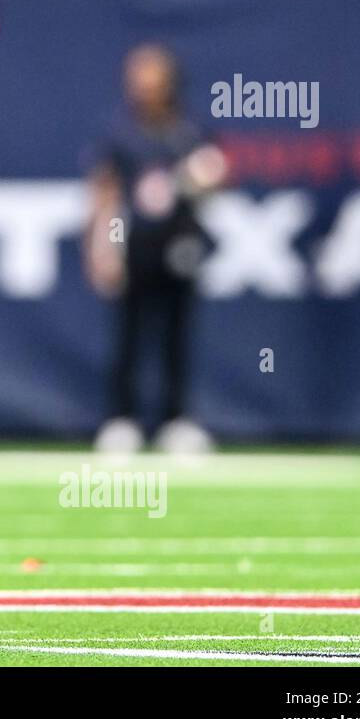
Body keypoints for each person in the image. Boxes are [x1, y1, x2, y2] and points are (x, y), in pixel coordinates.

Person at [83, 44, 224, 455]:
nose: (144, 86)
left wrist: (206, 179)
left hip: (180, 245)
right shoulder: (120, 132)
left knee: (176, 333)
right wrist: (103, 249)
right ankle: (121, 418)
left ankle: (175, 420)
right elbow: (105, 193)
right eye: (138, 76)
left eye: (152, 76)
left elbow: (214, 182)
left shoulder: (190, 130)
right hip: (134, 244)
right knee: (129, 333)